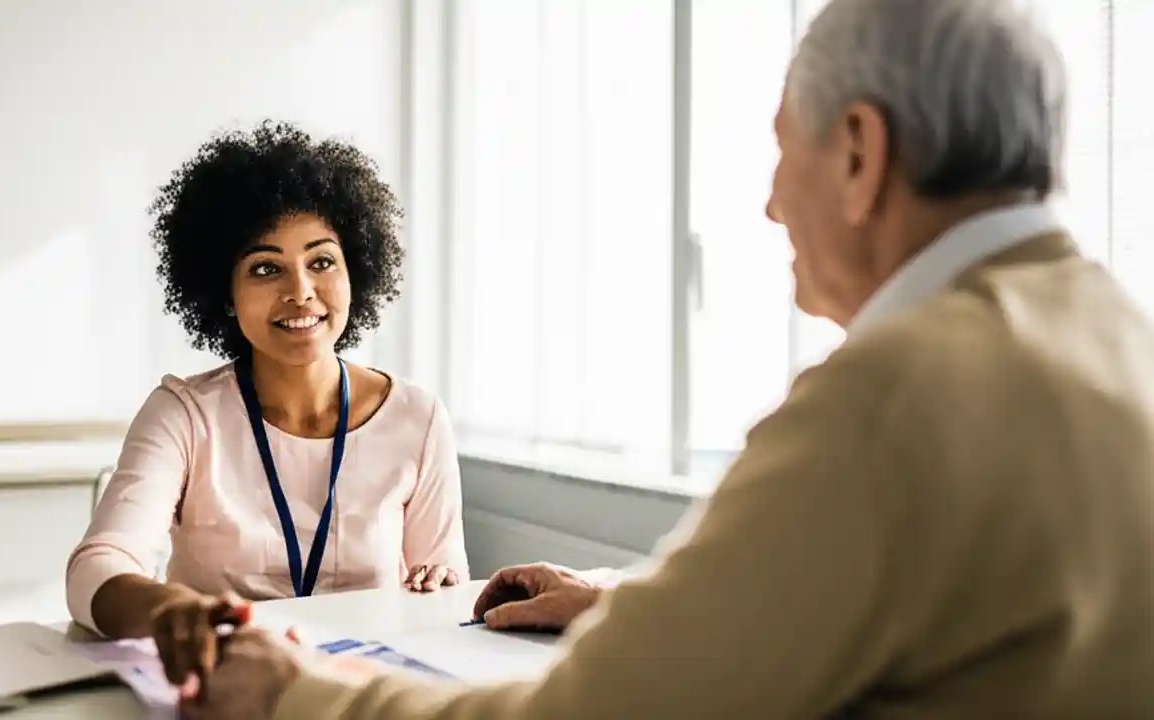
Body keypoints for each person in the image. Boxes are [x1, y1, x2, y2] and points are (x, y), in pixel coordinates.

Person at [187, 0, 1154, 717]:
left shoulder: (885, 400)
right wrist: (623, 598)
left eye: (783, 154)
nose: (773, 206)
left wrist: (297, 696)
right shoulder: (1117, 339)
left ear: (859, 152)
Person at [65, 121, 469, 694]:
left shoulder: (418, 417)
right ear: (224, 295)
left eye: (322, 261)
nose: (300, 290)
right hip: (225, 690)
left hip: (359, 694)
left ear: (357, 267)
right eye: (265, 268)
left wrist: (442, 584)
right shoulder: (182, 414)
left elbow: (446, 591)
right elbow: (97, 567)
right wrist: (168, 612)